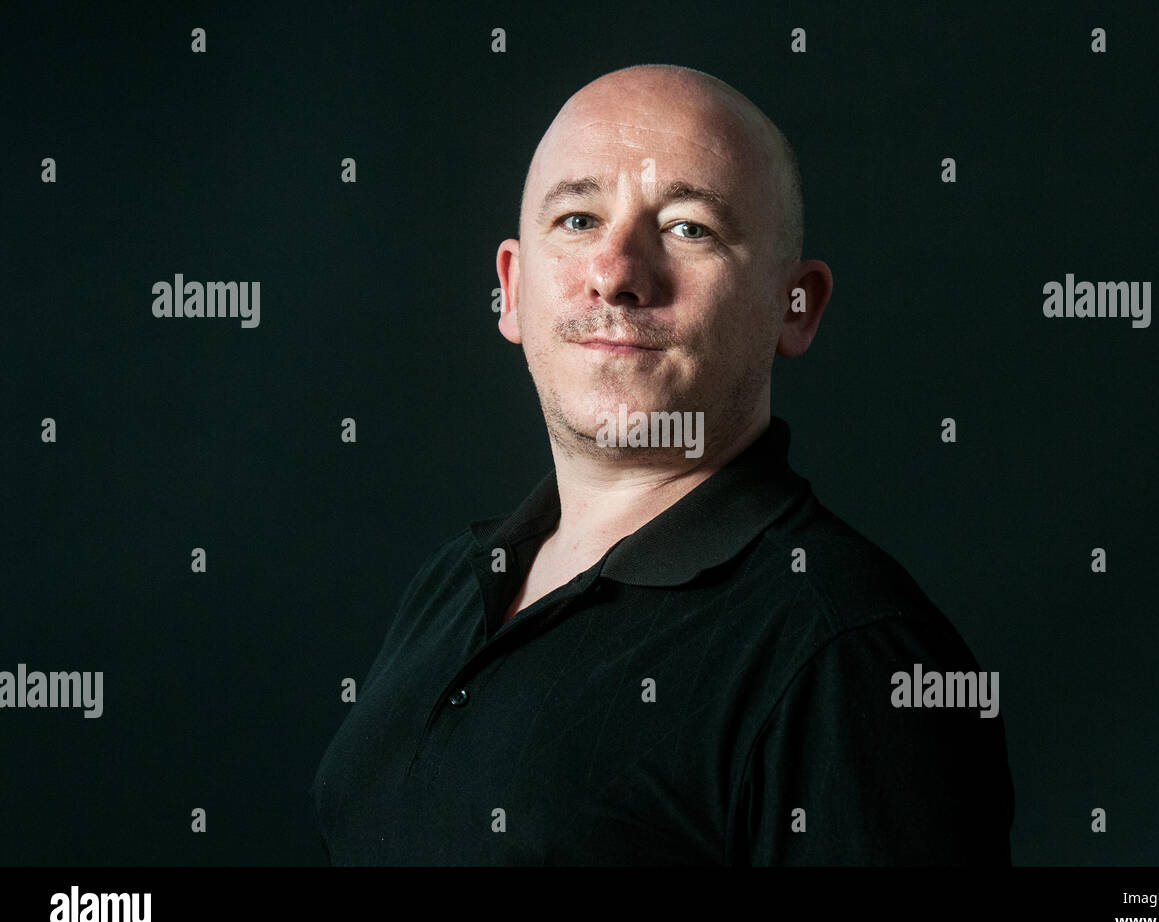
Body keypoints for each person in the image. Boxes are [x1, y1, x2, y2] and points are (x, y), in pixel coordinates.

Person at [310, 63, 1014, 865]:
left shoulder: (847, 658)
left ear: (797, 305)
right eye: (578, 220)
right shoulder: (453, 583)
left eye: (688, 228)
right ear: (510, 290)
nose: (615, 274)